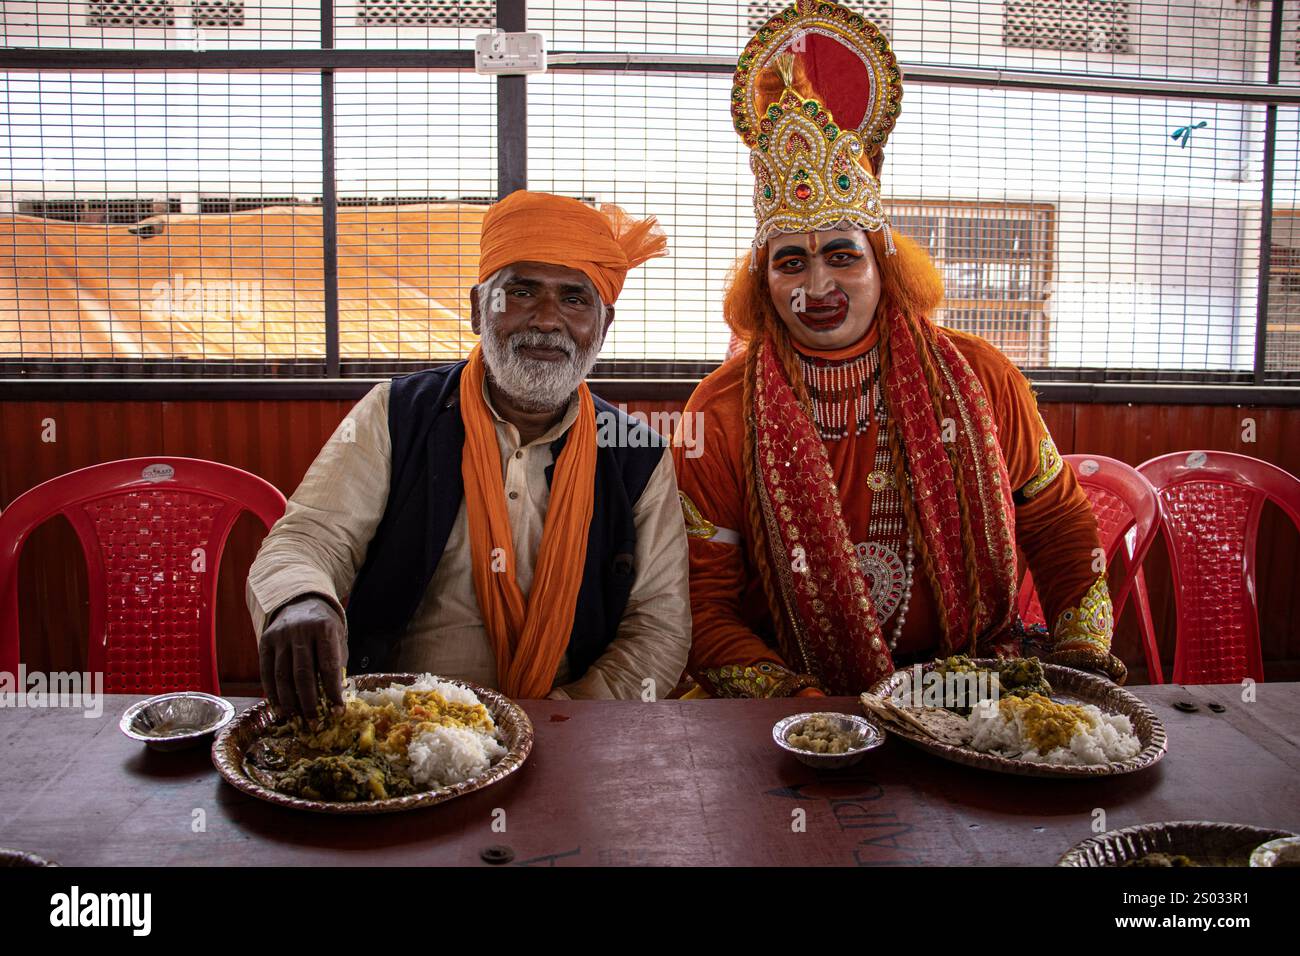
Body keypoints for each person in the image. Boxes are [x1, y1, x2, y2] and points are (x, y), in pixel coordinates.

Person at [673, 0, 1124, 699]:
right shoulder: (721, 409)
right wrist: (804, 708)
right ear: (764, 284)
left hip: (977, 689)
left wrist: (1081, 656)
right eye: (790, 262)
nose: (817, 286)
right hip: (801, 709)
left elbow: (1059, 522)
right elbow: (702, 604)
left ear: (884, 265)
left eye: (842, 256)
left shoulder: (980, 375)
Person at [248, 190, 691, 713]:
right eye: (521, 292)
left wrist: (567, 716)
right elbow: (311, 538)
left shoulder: (637, 455)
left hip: (567, 724)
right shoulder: (396, 413)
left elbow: (659, 624)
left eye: (574, 299)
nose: (547, 320)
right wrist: (300, 597)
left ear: (604, 324)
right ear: (481, 309)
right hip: (399, 722)